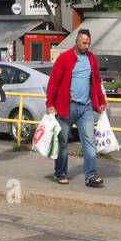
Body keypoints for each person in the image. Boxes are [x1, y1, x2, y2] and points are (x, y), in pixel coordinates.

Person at [45, 29, 107, 188]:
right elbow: (53, 82)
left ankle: (91, 176)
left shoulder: (91, 59)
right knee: (63, 142)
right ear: (77, 42)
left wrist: (101, 100)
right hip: (67, 107)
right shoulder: (65, 58)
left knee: (90, 142)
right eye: (84, 43)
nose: (86, 46)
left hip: (85, 108)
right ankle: (60, 173)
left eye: (88, 43)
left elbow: (95, 82)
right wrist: (50, 104)